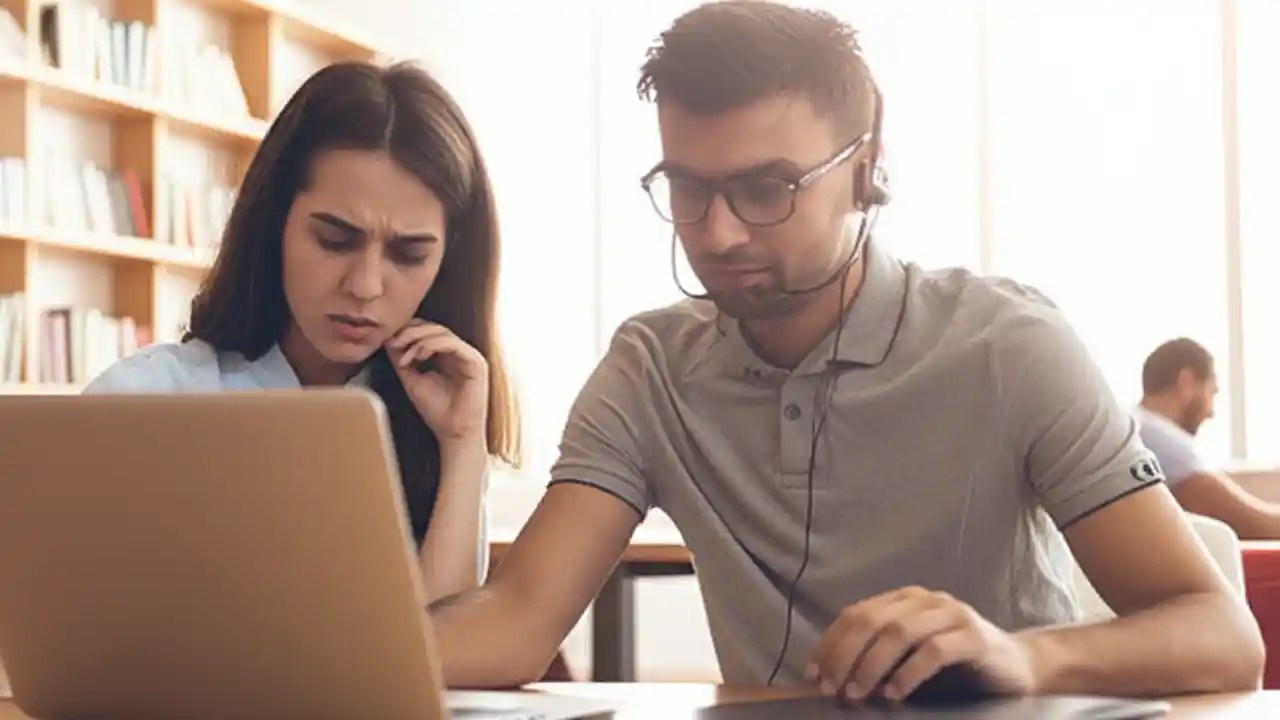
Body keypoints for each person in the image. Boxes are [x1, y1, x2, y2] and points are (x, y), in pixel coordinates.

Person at [429, 0, 1262, 701]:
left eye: (766, 189)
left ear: (867, 173)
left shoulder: (1009, 347)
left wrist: (1027, 655)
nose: (717, 233)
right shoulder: (649, 369)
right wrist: (310, 663)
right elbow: (517, 622)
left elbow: (1224, 635)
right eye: (687, 186)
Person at [84, 60, 520, 604]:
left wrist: (462, 448)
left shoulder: (435, 425)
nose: (364, 286)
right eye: (334, 241)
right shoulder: (145, 399)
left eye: (408, 255)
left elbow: (439, 657)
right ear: (275, 224)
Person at [1137, 337, 1280, 538]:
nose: (1211, 413)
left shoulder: (1138, 427)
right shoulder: (1159, 439)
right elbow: (1256, 525)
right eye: (1212, 391)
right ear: (1186, 381)